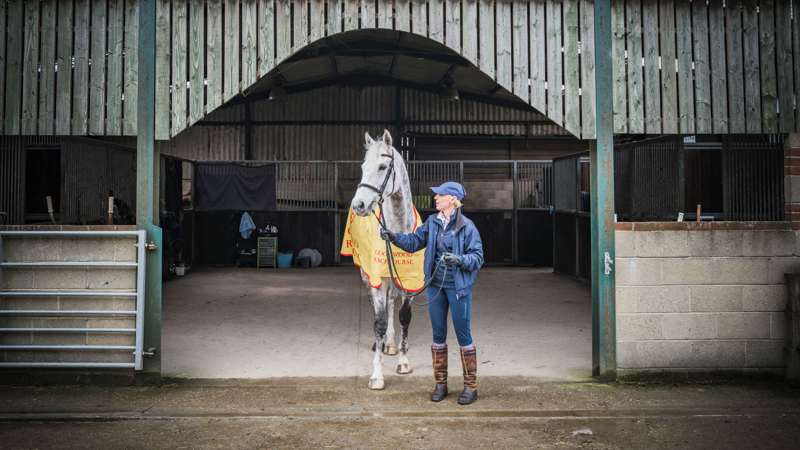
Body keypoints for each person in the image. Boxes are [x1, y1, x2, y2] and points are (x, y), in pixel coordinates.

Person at [380, 181, 484, 405]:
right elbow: (415, 241)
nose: (435, 198)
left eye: (440, 195)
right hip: (436, 287)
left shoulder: (467, 226)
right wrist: (394, 237)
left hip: (458, 288)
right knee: (438, 336)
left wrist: (459, 260)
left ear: (452, 200)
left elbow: (477, 257)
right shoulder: (432, 223)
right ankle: (440, 384)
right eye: (436, 195)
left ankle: (470, 387)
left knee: (463, 335)